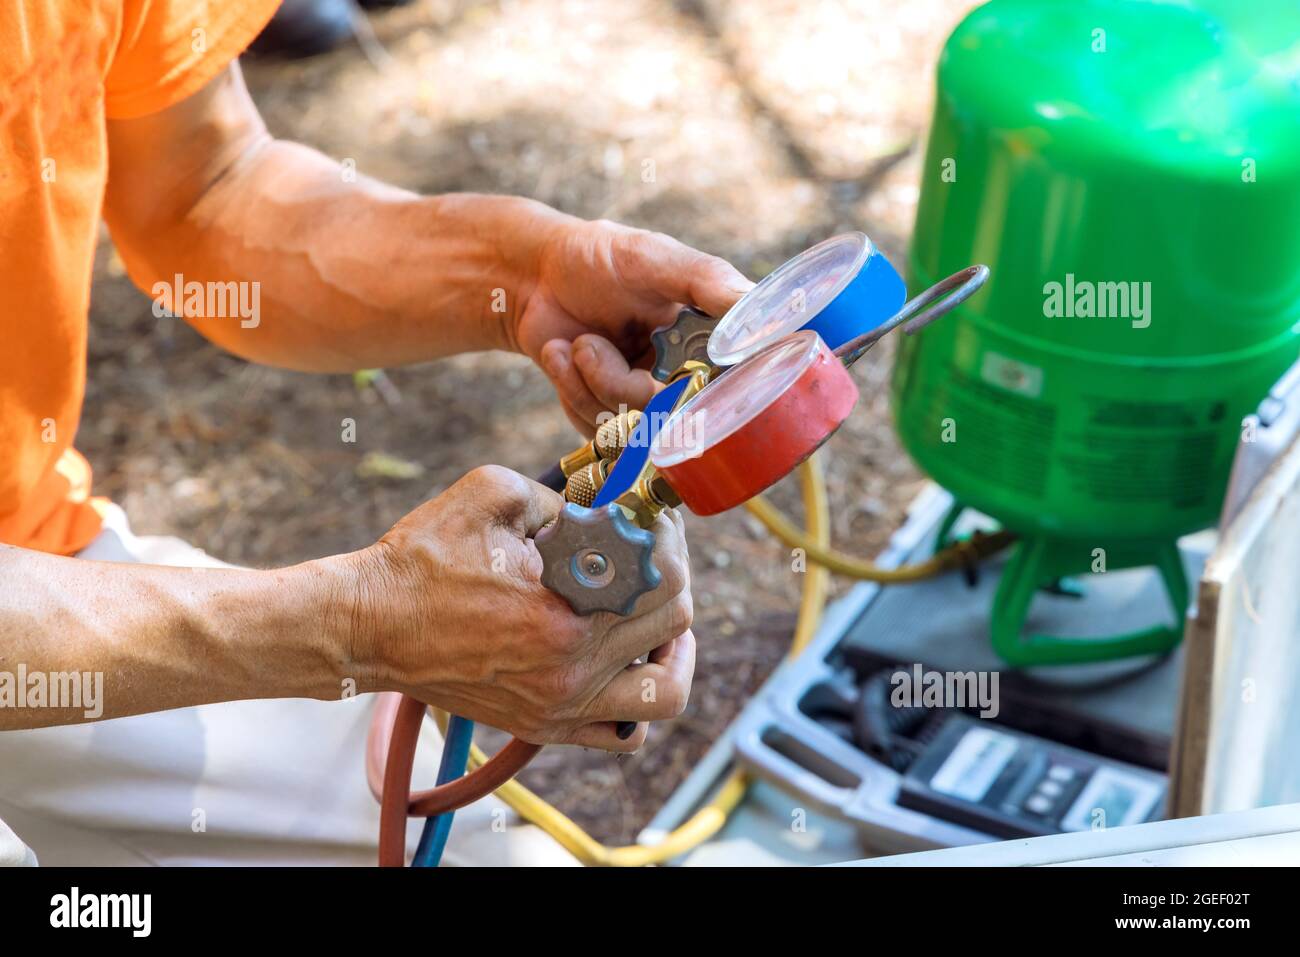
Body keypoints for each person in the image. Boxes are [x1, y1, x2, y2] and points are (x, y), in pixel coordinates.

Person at [0, 0, 752, 865]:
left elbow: (201, 186)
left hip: (38, 576)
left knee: (477, 856)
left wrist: (521, 276)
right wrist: (356, 625)